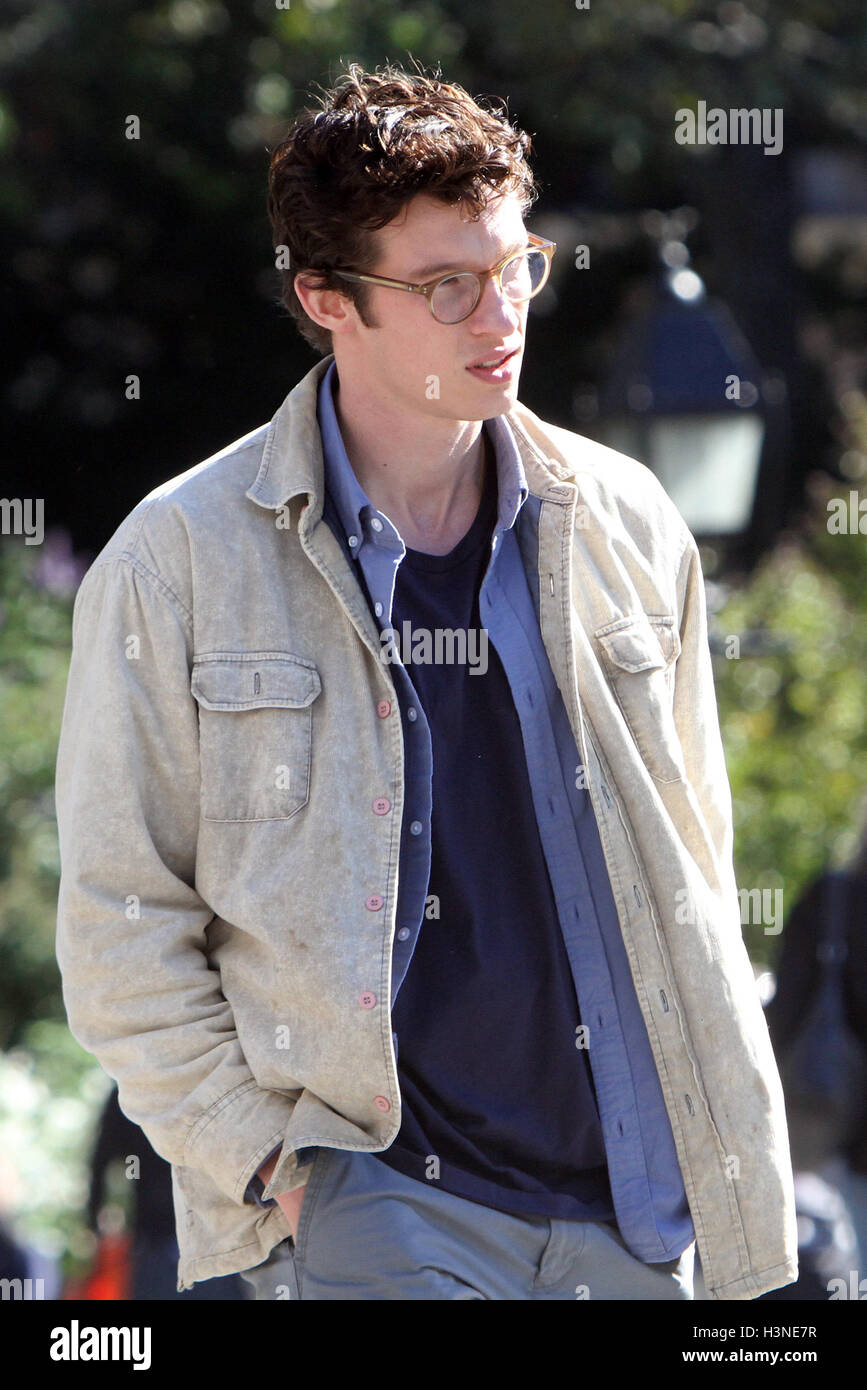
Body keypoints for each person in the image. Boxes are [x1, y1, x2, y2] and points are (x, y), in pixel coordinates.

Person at [54, 60, 797, 1301]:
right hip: (377, 1206)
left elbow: (699, 867)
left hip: (639, 1205)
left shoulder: (625, 519)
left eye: (514, 266)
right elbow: (121, 924)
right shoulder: (178, 564)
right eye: (446, 286)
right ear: (325, 298)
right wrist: (273, 1170)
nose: (498, 314)